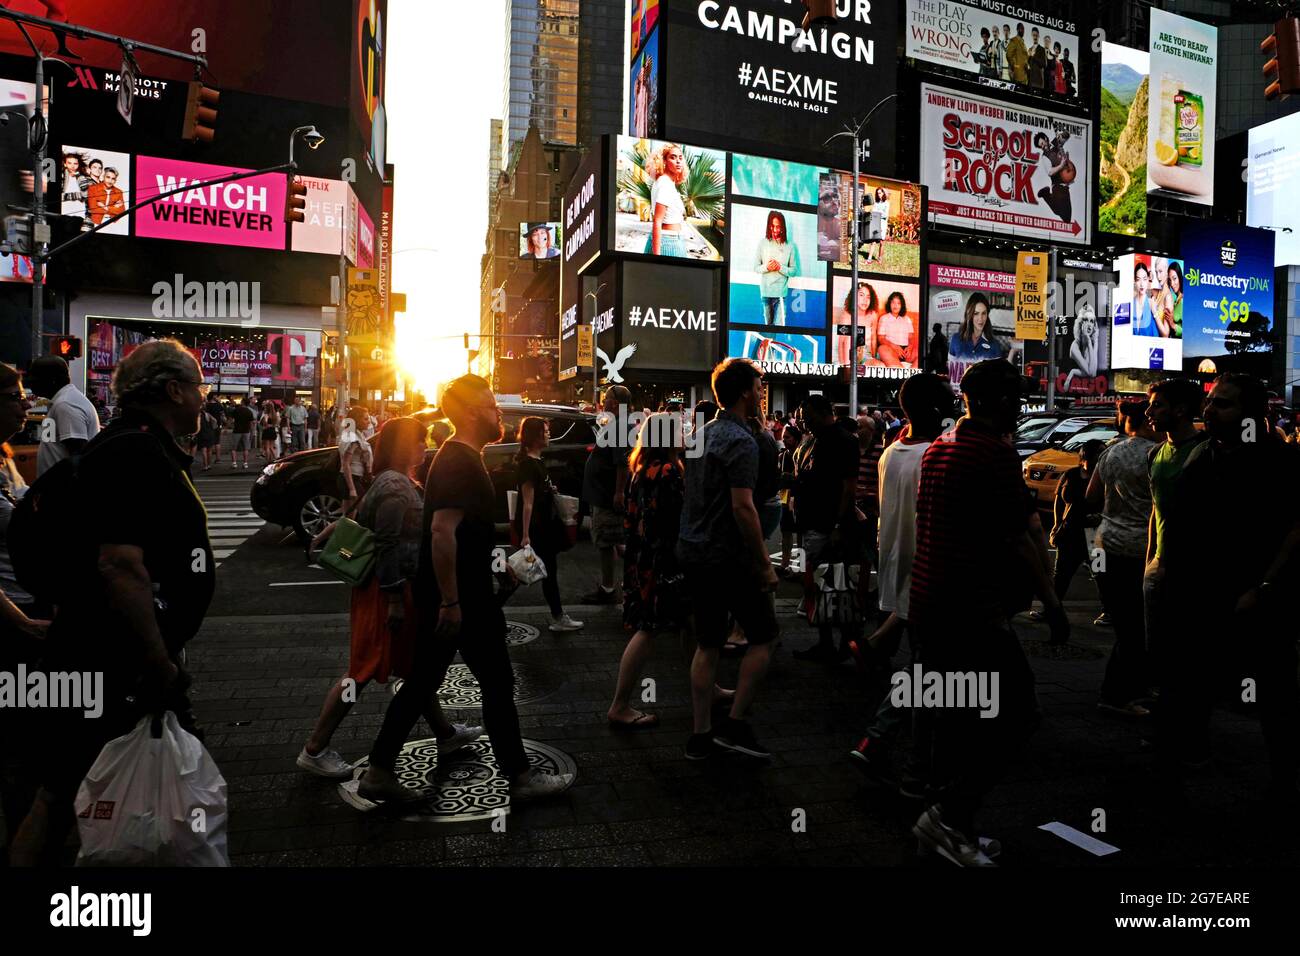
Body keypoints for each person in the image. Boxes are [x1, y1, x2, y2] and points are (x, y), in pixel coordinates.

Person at [10, 340, 215, 866]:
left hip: (97, 649)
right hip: (113, 660)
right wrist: (158, 660)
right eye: (199, 388)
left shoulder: (132, 446)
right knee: (58, 796)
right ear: (173, 390)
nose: (203, 399)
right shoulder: (135, 452)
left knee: (59, 793)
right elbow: (120, 565)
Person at [356, 375, 573, 803]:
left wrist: (496, 565)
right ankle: (522, 777)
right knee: (495, 683)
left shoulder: (463, 457)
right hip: (462, 602)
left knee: (423, 683)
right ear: (474, 411)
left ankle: (379, 770)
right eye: (492, 404)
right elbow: (442, 532)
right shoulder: (459, 461)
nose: (498, 412)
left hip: (460, 596)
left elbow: (463, 534)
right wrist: (453, 602)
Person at [907, 359, 1067, 866]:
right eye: (1015, 400)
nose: (1019, 409)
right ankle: (950, 817)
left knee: (959, 721)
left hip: (930, 603)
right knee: (1018, 715)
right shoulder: (993, 455)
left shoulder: (939, 448)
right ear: (998, 403)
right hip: (970, 612)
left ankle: (955, 829)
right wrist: (1054, 604)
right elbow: (1020, 536)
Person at [297, 417, 482, 779]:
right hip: (387, 593)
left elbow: (365, 522)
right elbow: (386, 544)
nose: (423, 447)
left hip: (387, 590)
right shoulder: (396, 486)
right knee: (362, 671)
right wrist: (396, 599)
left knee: (415, 668)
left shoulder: (390, 480)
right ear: (402, 446)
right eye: (418, 441)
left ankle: (445, 734)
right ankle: (314, 748)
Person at [1162, 375, 1300, 802]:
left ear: (1251, 413)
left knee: (1274, 692)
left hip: (1259, 600)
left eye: (1222, 405)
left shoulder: (1278, 461)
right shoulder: (1204, 455)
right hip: (1203, 596)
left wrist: (1263, 586)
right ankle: (1189, 757)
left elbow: (1295, 530)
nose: (1210, 411)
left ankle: (1285, 779)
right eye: (1211, 403)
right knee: (1194, 682)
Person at [849, 374, 954, 786]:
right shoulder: (935, 454)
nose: (953, 406)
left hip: (896, 570)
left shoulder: (891, 453)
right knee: (929, 670)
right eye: (947, 400)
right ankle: (893, 750)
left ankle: (887, 743)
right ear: (933, 408)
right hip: (924, 576)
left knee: (925, 666)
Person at [678, 359, 779, 760]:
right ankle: (735, 725)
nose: (761, 393)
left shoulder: (701, 434)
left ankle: (700, 734)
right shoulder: (742, 442)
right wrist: (765, 563)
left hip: (695, 549)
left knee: (707, 643)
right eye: (758, 387)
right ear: (743, 393)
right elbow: (744, 508)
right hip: (728, 555)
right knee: (764, 637)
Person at [0, 364, 51, 850]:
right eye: (16, 396)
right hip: (10, 621)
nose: (25, 403)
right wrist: (22, 623)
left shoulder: (6, 457)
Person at [609, 413, 687, 729]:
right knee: (648, 629)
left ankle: (708, 685)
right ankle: (620, 704)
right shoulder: (668, 472)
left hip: (645, 560)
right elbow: (677, 520)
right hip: (664, 563)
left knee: (690, 623)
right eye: (680, 429)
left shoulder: (640, 470)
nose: (685, 434)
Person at [1087, 400, 1157, 718]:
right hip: (1138, 550)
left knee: (1124, 622)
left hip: (1104, 544)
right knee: (1135, 629)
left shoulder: (1110, 450)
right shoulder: (1155, 454)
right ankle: (1116, 694)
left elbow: (1091, 495)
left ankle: (1130, 689)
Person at [790, 394, 862, 664]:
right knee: (818, 586)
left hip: (828, 524)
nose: (804, 422)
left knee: (839, 586)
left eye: (807, 416)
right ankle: (827, 643)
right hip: (812, 522)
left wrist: (838, 525)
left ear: (822, 413)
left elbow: (848, 488)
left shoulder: (844, 441)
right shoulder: (813, 439)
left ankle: (847, 643)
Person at [516, 416, 583, 633]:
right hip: (537, 528)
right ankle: (558, 617)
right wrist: (525, 534)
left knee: (534, 571)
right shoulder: (528, 464)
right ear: (534, 436)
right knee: (535, 571)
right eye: (545, 431)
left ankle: (558, 616)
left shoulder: (536, 461)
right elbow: (527, 502)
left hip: (544, 525)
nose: (548, 434)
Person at [582, 385, 631, 604]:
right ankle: (615, 585)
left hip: (607, 495)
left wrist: (619, 492)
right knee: (613, 541)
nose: (604, 401)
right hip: (603, 493)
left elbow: (622, 463)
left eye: (607, 398)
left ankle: (609, 588)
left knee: (606, 541)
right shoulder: (617, 423)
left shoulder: (622, 425)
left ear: (614, 402)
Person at [1048, 439, 1103, 608]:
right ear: (1087, 454)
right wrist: (1057, 524)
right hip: (1069, 530)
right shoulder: (1071, 474)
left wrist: (1101, 516)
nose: (1103, 456)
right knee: (1061, 573)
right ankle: (1052, 607)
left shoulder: (1103, 477)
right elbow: (1059, 499)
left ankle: (1108, 610)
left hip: (1095, 533)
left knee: (1101, 573)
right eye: (1100, 452)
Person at [28, 356, 100, 479]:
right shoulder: (61, 402)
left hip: (63, 493)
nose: (30, 383)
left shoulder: (65, 404)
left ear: (52, 380)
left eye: (36, 378)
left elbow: (78, 456)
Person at [645, 143, 688, 258]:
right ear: (664, 161)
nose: (678, 161)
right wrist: (657, 257)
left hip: (671, 241)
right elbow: (657, 221)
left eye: (680, 157)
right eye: (673, 157)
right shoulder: (665, 183)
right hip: (668, 243)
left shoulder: (666, 182)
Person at [755, 210, 798, 326]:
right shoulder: (762, 243)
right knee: (766, 331)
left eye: (778, 227)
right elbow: (756, 267)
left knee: (778, 330)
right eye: (772, 226)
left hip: (780, 296)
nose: (775, 230)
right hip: (765, 294)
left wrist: (780, 267)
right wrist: (767, 267)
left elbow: (793, 271)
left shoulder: (790, 246)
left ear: (783, 227)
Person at [948, 293, 1006, 363]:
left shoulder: (995, 345)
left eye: (984, 313)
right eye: (976, 313)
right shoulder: (955, 339)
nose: (980, 319)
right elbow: (951, 370)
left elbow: (999, 373)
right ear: (969, 314)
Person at [776, 422, 802, 577]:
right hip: (785, 496)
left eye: (788, 437)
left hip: (799, 496)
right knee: (785, 531)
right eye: (783, 437)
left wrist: (790, 477)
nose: (784, 440)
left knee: (800, 534)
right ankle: (784, 564)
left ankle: (800, 568)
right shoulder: (782, 455)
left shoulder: (801, 453)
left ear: (796, 438)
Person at [339, 406, 374, 512]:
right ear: (357, 420)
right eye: (366, 419)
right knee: (362, 511)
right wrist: (352, 489)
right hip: (351, 478)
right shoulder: (352, 438)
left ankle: (340, 529)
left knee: (348, 517)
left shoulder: (356, 435)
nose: (369, 422)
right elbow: (346, 464)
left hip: (353, 478)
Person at [837, 281, 880, 367]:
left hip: (865, 354)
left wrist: (873, 357)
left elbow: (873, 338)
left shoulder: (873, 315)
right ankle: (848, 367)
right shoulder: (847, 315)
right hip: (849, 354)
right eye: (861, 295)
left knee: (880, 366)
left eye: (868, 297)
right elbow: (842, 342)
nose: (865, 300)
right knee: (849, 338)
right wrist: (843, 365)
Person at [1034, 131, 1073, 223]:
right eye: (1040, 146)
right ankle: (1045, 194)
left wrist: (1063, 135)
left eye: (1042, 143)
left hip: (1064, 186)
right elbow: (1050, 172)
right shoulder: (1044, 157)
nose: (1043, 146)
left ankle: (1045, 194)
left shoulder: (1055, 143)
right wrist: (1061, 165)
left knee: (1063, 215)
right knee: (1066, 218)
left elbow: (1066, 136)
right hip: (1058, 186)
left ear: (1046, 139)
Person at [1062, 307, 1100, 393]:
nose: (1089, 324)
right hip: (1068, 393)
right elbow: (1090, 373)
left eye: (1092, 321)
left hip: (1085, 393)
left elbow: (1093, 374)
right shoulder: (1074, 347)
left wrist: (1094, 342)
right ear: (1080, 324)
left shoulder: (1090, 343)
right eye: (1086, 320)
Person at [876, 290, 916, 368]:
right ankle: (898, 369)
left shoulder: (907, 319)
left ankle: (911, 374)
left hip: (905, 351)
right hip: (890, 348)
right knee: (882, 349)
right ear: (889, 304)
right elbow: (881, 339)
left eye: (898, 303)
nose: (895, 305)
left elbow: (911, 337)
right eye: (893, 302)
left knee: (919, 352)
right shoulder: (884, 318)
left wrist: (910, 347)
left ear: (902, 305)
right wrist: (895, 347)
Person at [1155, 261, 1184, 339]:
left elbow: (1190, 331)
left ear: (1180, 277)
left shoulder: (1184, 302)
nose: (1172, 283)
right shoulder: (1175, 299)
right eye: (1170, 280)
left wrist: (1172, 324)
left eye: (1174, 278)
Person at [229, 395, 255, 468]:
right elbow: (251, 423)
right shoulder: (249, 411)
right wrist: (251, 431)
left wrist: (228, 426)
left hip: (236, 430)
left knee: (234, 448)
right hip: (246, 431)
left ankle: (234, 463)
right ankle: (245, 463)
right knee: (246, 448)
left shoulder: (236, 410)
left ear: (242, 402)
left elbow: (230, 419)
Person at [194, 398, 219, 471]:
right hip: (210, 433)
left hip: (202, 434)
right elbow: (215, 421)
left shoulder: (198, 416)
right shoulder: (208, 415)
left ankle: (205, 466)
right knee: (209, 451)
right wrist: (214, 427)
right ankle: (209, 464)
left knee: (204, 451)